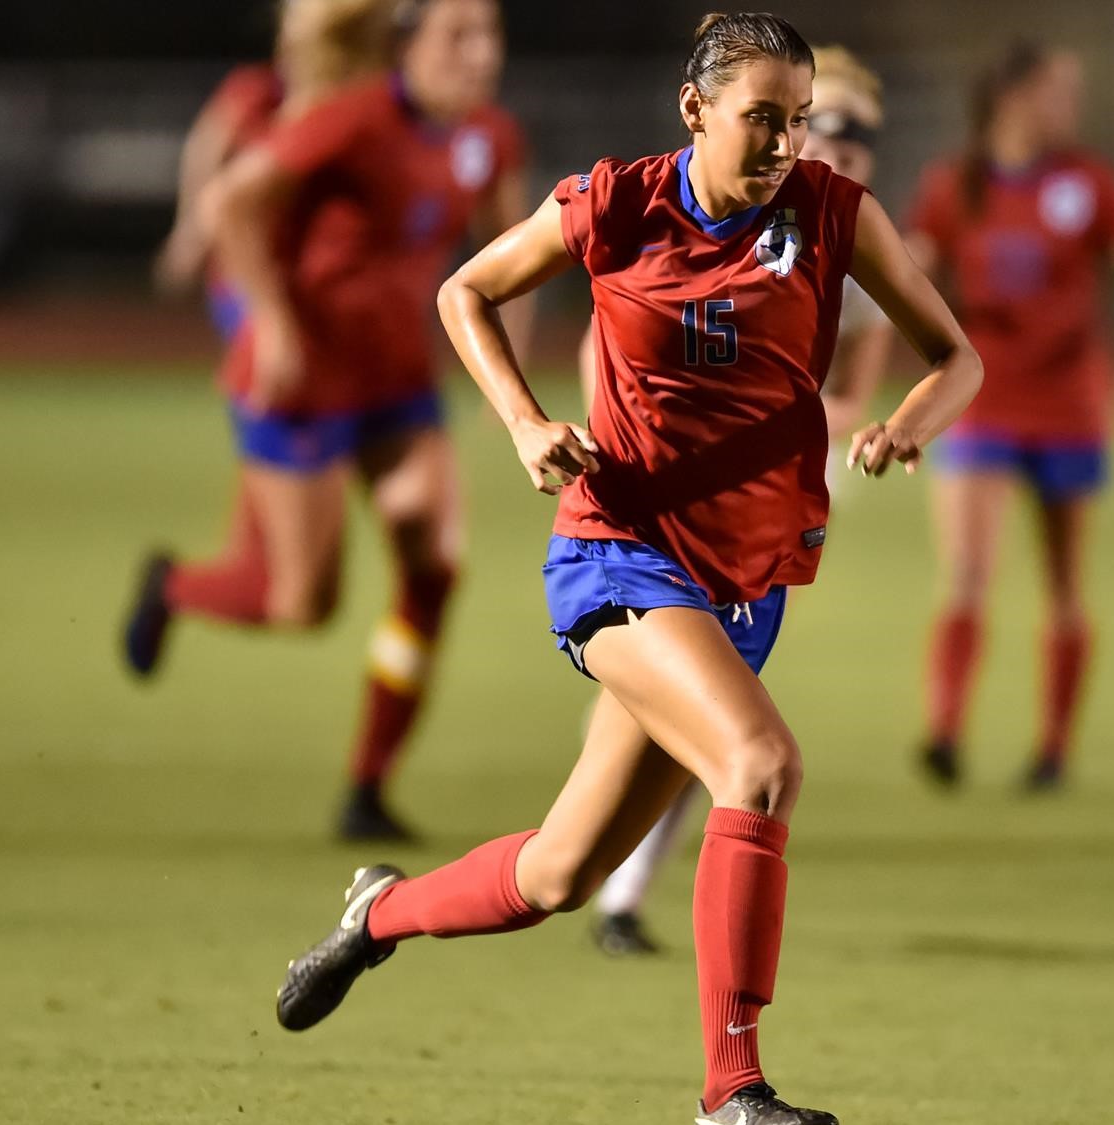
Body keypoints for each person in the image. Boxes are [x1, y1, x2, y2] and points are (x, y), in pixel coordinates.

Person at [270, 14, 981, 1125]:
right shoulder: (615, 203)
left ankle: (379, 915)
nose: (786, 142)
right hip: (619, 552)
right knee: (759, 764)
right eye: (762, 118)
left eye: (797, 120)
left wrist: (906, 423)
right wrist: (519, 422)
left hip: (746, 582)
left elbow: (958, 356)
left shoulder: (834, 215)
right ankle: (731, 1091)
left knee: (560, 875)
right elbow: (466, 291)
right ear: (693, 111)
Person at [121, 0, 530, 842]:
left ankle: (367, 788)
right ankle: (173, 586)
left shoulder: (487, 136)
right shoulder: (353, 118)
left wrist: (509, 373)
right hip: (300, 382)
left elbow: (514, 247)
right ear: (404, 44)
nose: (482, 54)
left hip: (397, 386)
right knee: (299, 601)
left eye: (490, 34)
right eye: (460, 35)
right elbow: (231, 202)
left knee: (434, 565)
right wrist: (268, 321)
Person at [587, 42, 896, 959]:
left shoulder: (845, 233)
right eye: (806, 119)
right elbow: (616, 334)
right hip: (664, 501)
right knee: (713, 723)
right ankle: (619, 888)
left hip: (768, 506)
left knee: (719, 723)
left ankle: (608, 880)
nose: (820, 140)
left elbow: (849, 398)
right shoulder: (693, 211)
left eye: (841, 126)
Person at [907, 41, 1114, 792]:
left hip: (1070, 406)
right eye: (1060, 90)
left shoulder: (1089, 184)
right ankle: (944, 732)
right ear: (1015, 97)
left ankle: (1054, 749)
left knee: (1064, 583)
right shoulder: (954, 186)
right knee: (967, 571)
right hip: (982, 400)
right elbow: (903, 275)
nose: (1072, 105)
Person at [152, 0, 396, 330]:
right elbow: (208, 160)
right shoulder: (259, 92)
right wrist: (190, 231)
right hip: (253, 266)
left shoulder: (360, 107)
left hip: (318, 273)